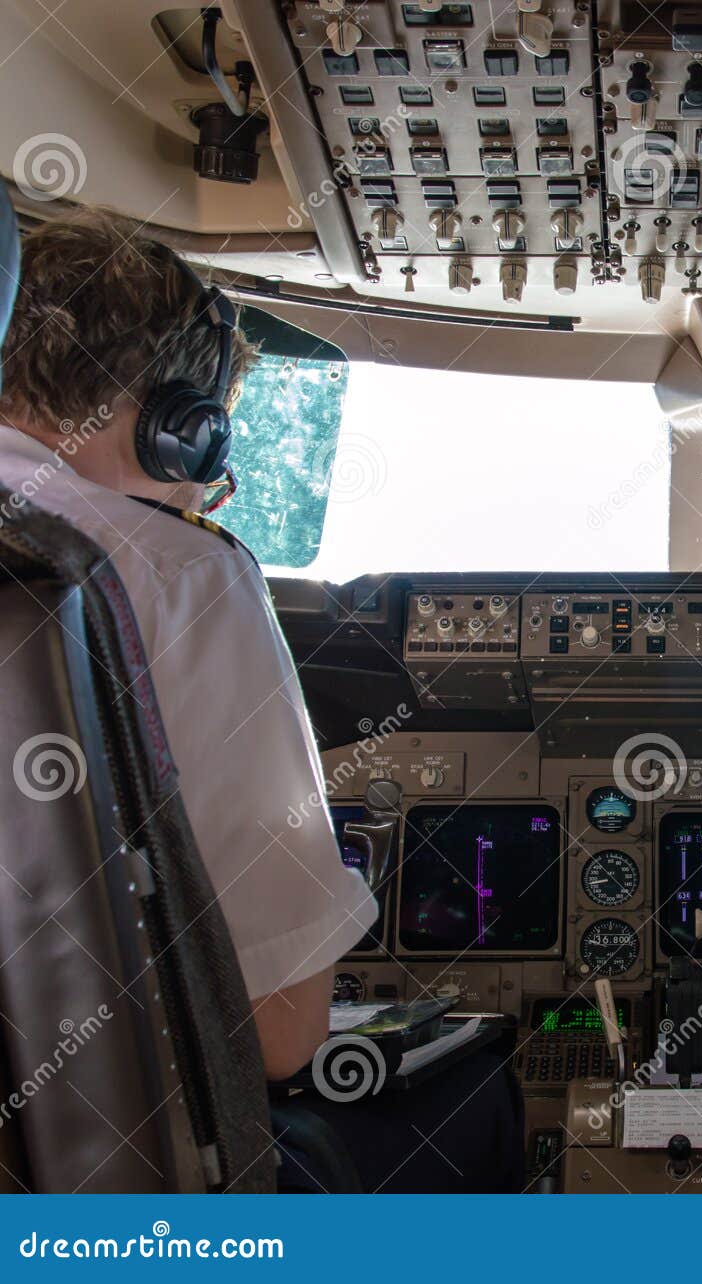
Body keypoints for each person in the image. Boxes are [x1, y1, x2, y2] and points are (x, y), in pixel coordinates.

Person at [0, 209, 521, 1192]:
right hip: (115, 1195)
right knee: (476, 1090)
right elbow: (281, 1035)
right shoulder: (176, 573)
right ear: (183, 430)